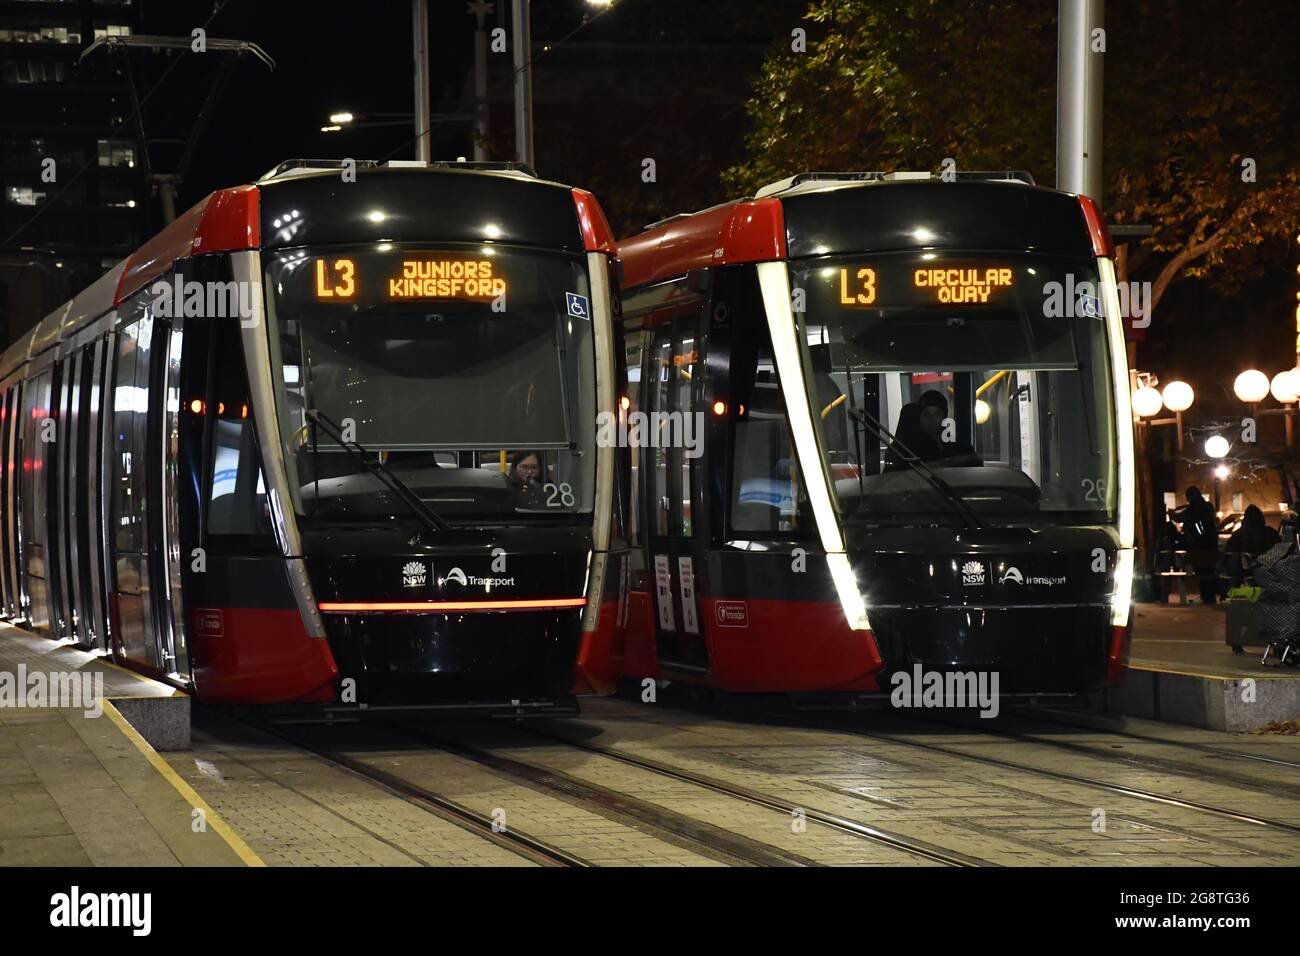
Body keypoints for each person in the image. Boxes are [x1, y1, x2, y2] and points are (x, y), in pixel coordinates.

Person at [1173, 486, 1220, 604]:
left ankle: (1206, 595)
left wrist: (1171, 514)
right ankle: (1210, 596)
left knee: (1201, 571)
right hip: (1211, 546)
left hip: (1197, 547)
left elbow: (1179, 518)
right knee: (1209, 571)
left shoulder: (1191, 509)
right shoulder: (1208, 507)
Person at [916, 389, 982, 466]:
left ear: (944, 416)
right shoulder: (911, 448)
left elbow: (976, 468)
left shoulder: (958, 444)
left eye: (937, 414)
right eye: (926, 414)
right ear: (919, 417)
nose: (932, 419)